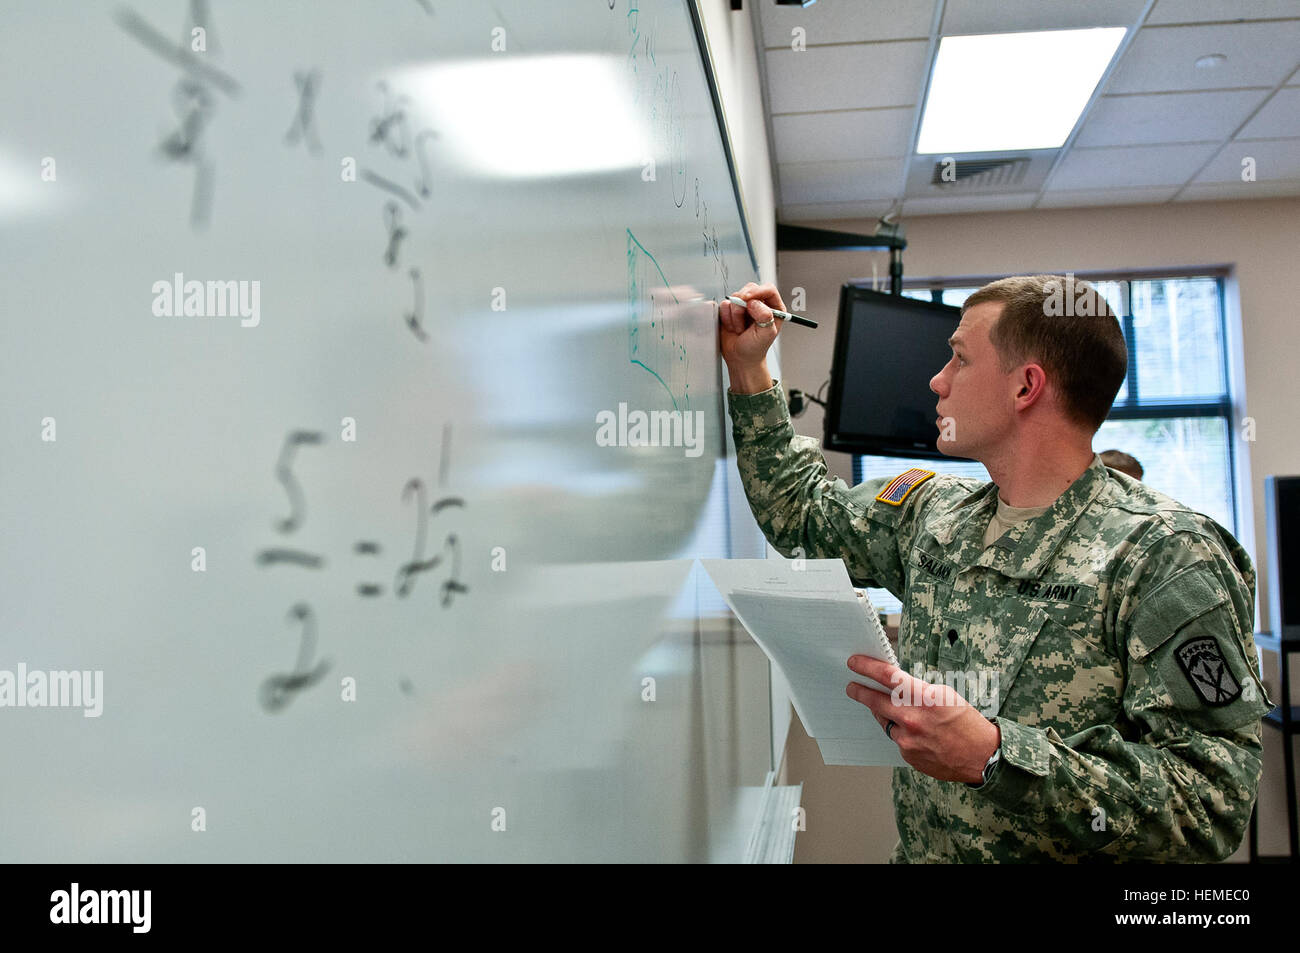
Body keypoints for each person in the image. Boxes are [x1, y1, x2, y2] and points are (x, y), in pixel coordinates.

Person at [720, 275, 1272, 863]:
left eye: (959, 358)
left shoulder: (1167, 556)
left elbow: (1211, 805)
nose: (937, 380)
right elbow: (800, 511)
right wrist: (751, 369)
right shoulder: (934, 514)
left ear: (1026, 386)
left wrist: (993, 757)